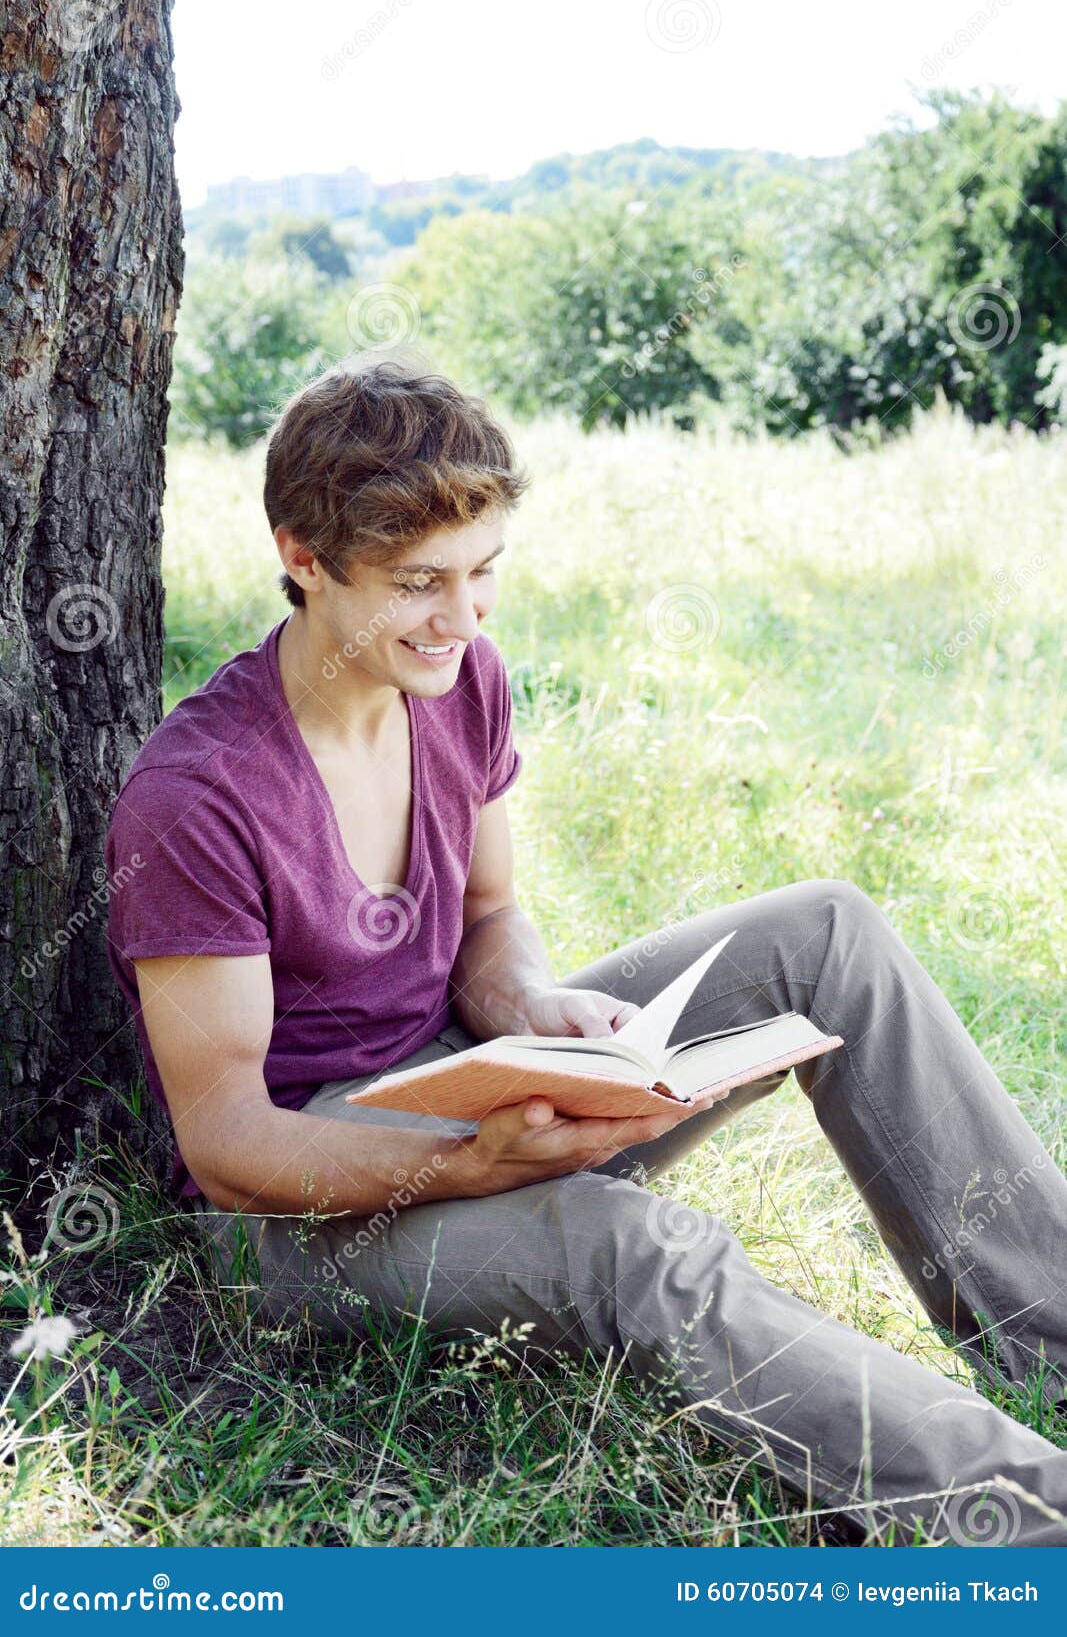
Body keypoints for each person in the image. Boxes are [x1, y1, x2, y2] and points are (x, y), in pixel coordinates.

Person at [105, 356, 1067, 1547]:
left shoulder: (457, 683)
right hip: (293, 1219)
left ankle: (1056, 1340)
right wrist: (477, 1160)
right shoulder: (196, 793)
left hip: (454, 1078)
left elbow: (490, 912)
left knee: (828, 930)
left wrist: (526, 1009)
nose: (462, 619)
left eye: (482, 574)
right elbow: (228, 1145)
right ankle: (1033, 1522)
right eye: (418, 584)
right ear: (303, 556)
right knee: (639, 1252)